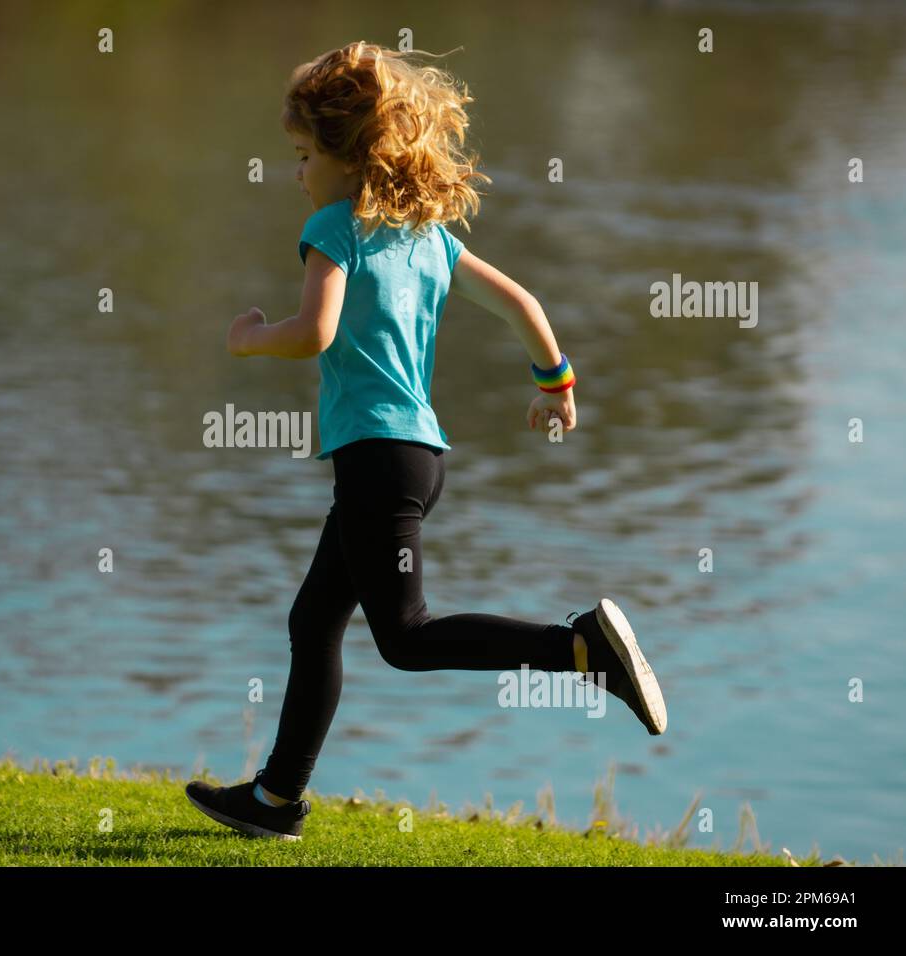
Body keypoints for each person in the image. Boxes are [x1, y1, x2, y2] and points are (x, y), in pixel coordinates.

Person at [185, 41, 666, 842]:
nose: (296, 173)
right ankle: (275, 801)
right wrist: (557, 386)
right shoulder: (430, 238)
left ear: (344, 157)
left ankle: (582, 650)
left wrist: (251, 339)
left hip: (378, 460)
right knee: (314, 623)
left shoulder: (332, 228)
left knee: (405, 639)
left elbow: (315, 333)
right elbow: (523, 304)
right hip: (411, 458)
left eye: (304, 156)